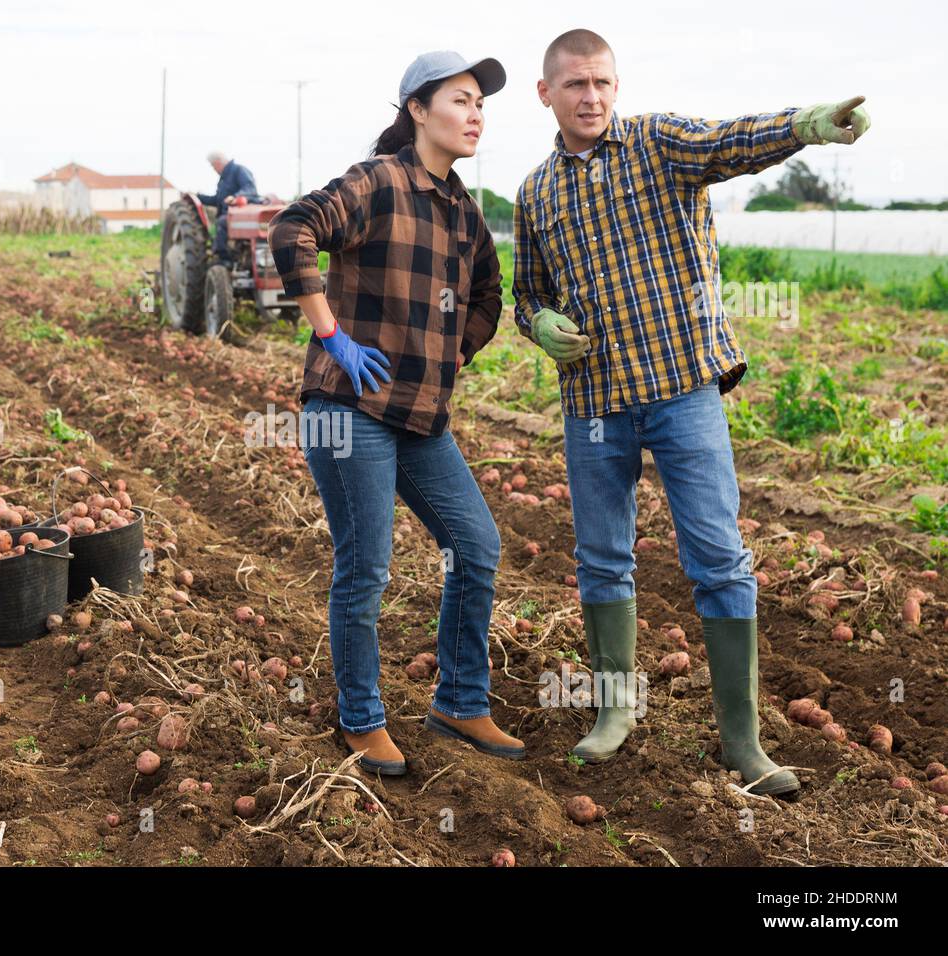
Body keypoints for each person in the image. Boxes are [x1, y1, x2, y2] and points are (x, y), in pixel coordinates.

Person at [511, 28, 870, 796]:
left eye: (603, 83)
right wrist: (537, 322)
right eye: (575, 85)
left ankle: (743, 743)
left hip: (682, 387)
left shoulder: (658, 143)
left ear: (617, 85)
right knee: (603, 556)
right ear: (547, 93)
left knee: (718, 558)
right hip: (595, 402)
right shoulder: (535, 191)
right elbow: (527, 291)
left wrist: (807, 125)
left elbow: (735, 141)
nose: (592, 97)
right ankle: (614, 711)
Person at [268, 51, 519, 776]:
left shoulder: (466, 213)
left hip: (419, 415)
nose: (475, 115)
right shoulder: (378, 182)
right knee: (367, 567)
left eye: (481, 105)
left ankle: (461, 700)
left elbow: (487, 299)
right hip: (348, 408)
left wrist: (445, 358)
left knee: (476, 547)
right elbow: (294, 229)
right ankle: (360, 719)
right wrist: (331, 335)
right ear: (417, 108)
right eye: (462, 100)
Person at [197, 152, 260, 266]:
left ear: (218, 162)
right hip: (229, 214)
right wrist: (199, 197)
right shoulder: (223, 181)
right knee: (222, 221)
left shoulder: (239, 170)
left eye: (213, 166)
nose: (214, 169)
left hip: (243, 214)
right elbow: (217, 201)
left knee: (222, 222)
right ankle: (228, 259)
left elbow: (250, 189)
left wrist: (235, 197)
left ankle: (224, 259)